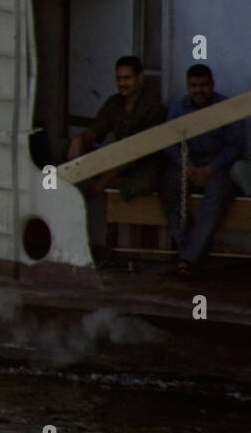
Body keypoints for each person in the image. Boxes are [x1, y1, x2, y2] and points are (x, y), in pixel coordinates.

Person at [158, 64, 246, 276]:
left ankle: (188, 258)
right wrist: (186, 166)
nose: (199, 90)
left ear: (212, 85)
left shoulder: (225, 106)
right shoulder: (179, 108)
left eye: (203, 85)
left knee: (218, 193)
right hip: (188, 165)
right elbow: (169, 143)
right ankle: (189, 249)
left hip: (218, 168)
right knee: (168, 183)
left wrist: (210, 169)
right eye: (194, 86)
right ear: (188, 87)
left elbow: (235, 145)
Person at [67, 56, 165, 199]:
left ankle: (114, 183)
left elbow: (136, 150)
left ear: (140, 78)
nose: (122, 83)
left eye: (127, 78)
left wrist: (104, 181)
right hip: (117, 159)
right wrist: (79, 140)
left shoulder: (153, 106)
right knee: (66, 149)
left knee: (140, 182)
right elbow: (96, 130)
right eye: (118, 79)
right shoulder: (114, 102)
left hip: (143, 163)